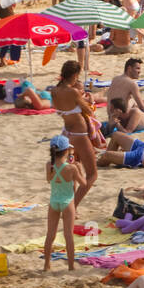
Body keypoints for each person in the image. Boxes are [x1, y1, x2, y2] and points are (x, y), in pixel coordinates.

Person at [50, 60, 103, 208]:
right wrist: (90, 100)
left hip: (66, 133)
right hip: (79, 134)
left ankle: (68, 205)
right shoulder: (72, 92)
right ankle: (72, 207)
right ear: (74, 75)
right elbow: (89, 110)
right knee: (92, 175)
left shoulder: (54, 91)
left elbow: (64, 108)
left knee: (73, 172)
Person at [42, 136, 85, 271]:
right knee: (68, 235)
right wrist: (79, 168)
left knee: (50, 234)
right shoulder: (71, 168)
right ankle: (71, 266)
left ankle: (46, 264)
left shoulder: (49, 165)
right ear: (67, 151)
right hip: (67, 203)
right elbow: (84, 184)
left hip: (54, 201)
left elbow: (49, 180)